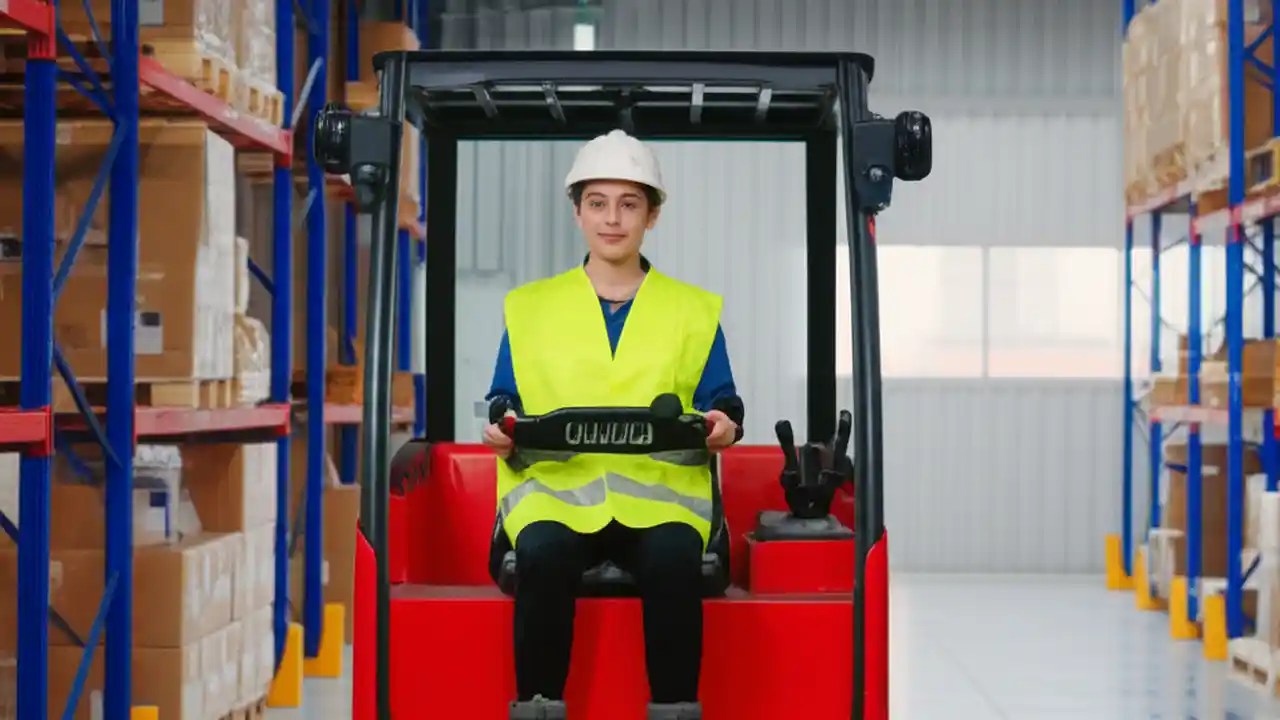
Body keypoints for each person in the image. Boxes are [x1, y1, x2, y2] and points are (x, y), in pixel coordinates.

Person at [482, 129, 745, 720]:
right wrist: (500, 425)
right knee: (543, 558)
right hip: (555, 497)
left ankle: (675, 710)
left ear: (652, 215)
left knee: (676, 561)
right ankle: (538, 707)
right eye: (597, 203)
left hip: (663, 503)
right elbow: (503, 396)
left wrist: (725, 424)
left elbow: (722, 398)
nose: (612, 219)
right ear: (577, 212)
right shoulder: (531, 308)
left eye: (629, 204)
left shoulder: (692, 310)